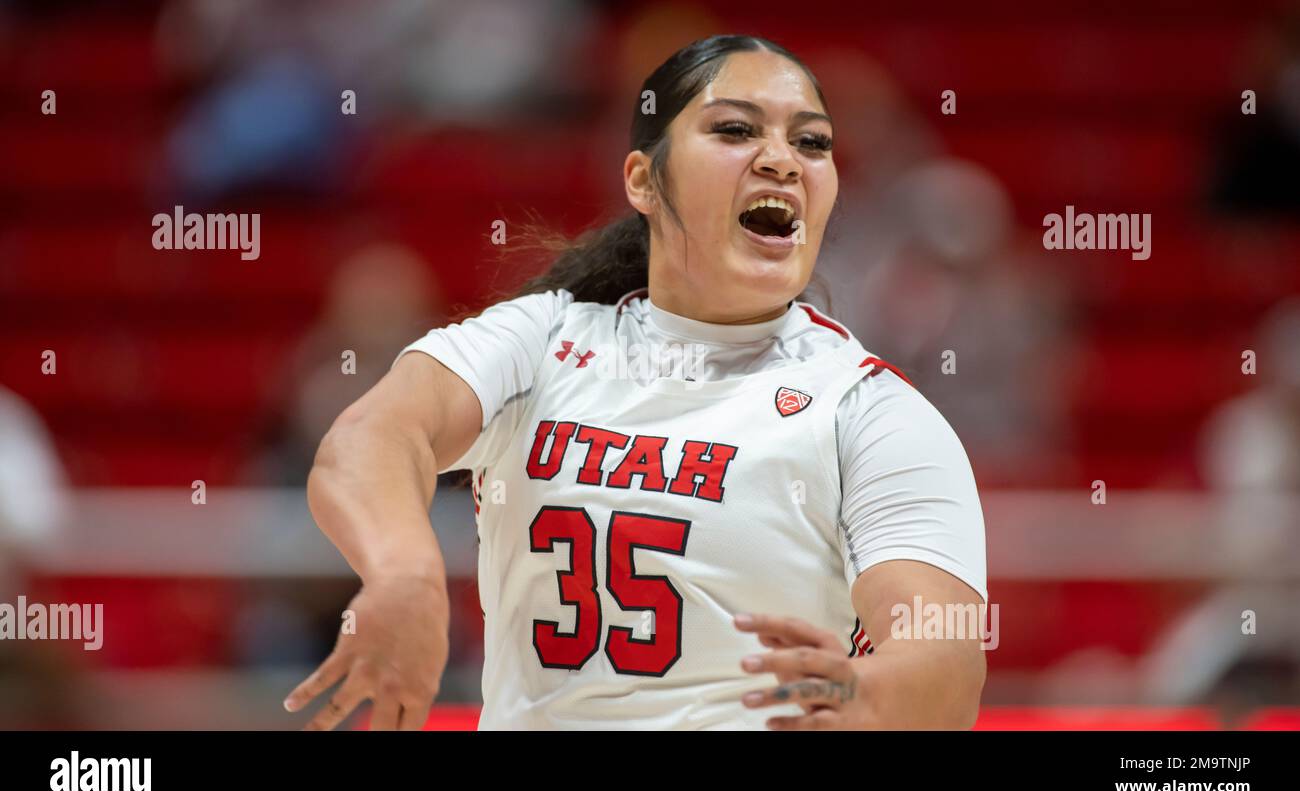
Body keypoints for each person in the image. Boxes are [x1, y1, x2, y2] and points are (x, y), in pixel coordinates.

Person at [286, 35, 988, 730]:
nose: (781, 160)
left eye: (812, 143)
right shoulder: (542, 341)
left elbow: (946, 660)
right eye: (737, 130)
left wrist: (859, 697)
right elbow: (372, 435)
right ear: (644, 181)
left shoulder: (870, 411)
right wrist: (404, 574)